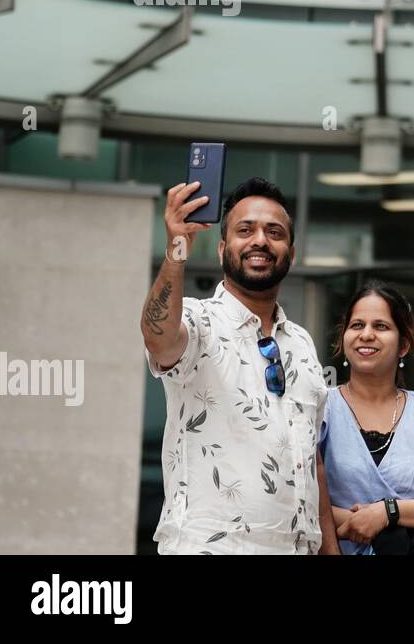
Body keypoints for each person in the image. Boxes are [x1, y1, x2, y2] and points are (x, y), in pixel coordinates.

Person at [140, 176, 339, 554]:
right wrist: (176, 248)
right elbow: (157, 336)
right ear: (221, 250)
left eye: (274, 232)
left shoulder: (302, 343)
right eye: (245, 230)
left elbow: (312, 461)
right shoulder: (198, 322)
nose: (260, 240)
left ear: (290, 255)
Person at [321, 281, 414, 554]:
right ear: (343, 339)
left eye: (381, 326)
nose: (366, 334)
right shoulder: (318, 408)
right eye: (357, 325)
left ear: (404, 345)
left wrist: (388, 513)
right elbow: (296, 498)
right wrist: (363, 522)